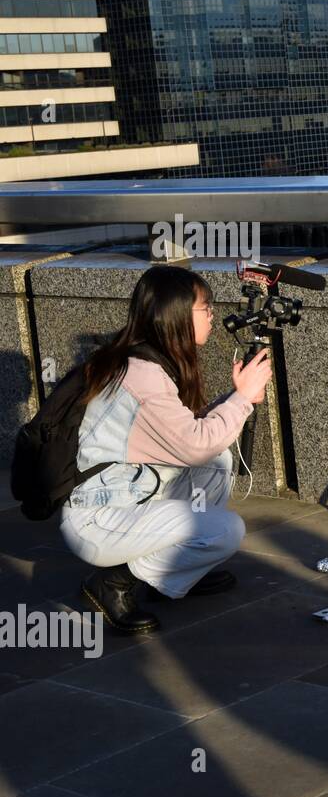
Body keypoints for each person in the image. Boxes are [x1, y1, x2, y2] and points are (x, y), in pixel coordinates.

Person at [61, 265, 273, 634]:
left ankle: (177, 571)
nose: (212, 316)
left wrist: (238, 397)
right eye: (205, 308)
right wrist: (241, 399)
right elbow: (192, 446)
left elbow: (185, 435)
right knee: (226, 531)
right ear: (174, 315)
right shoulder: (143, 376)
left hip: (126, 495)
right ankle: (113, 583)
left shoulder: (143, 359)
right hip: (97, 519)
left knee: (217, 463)